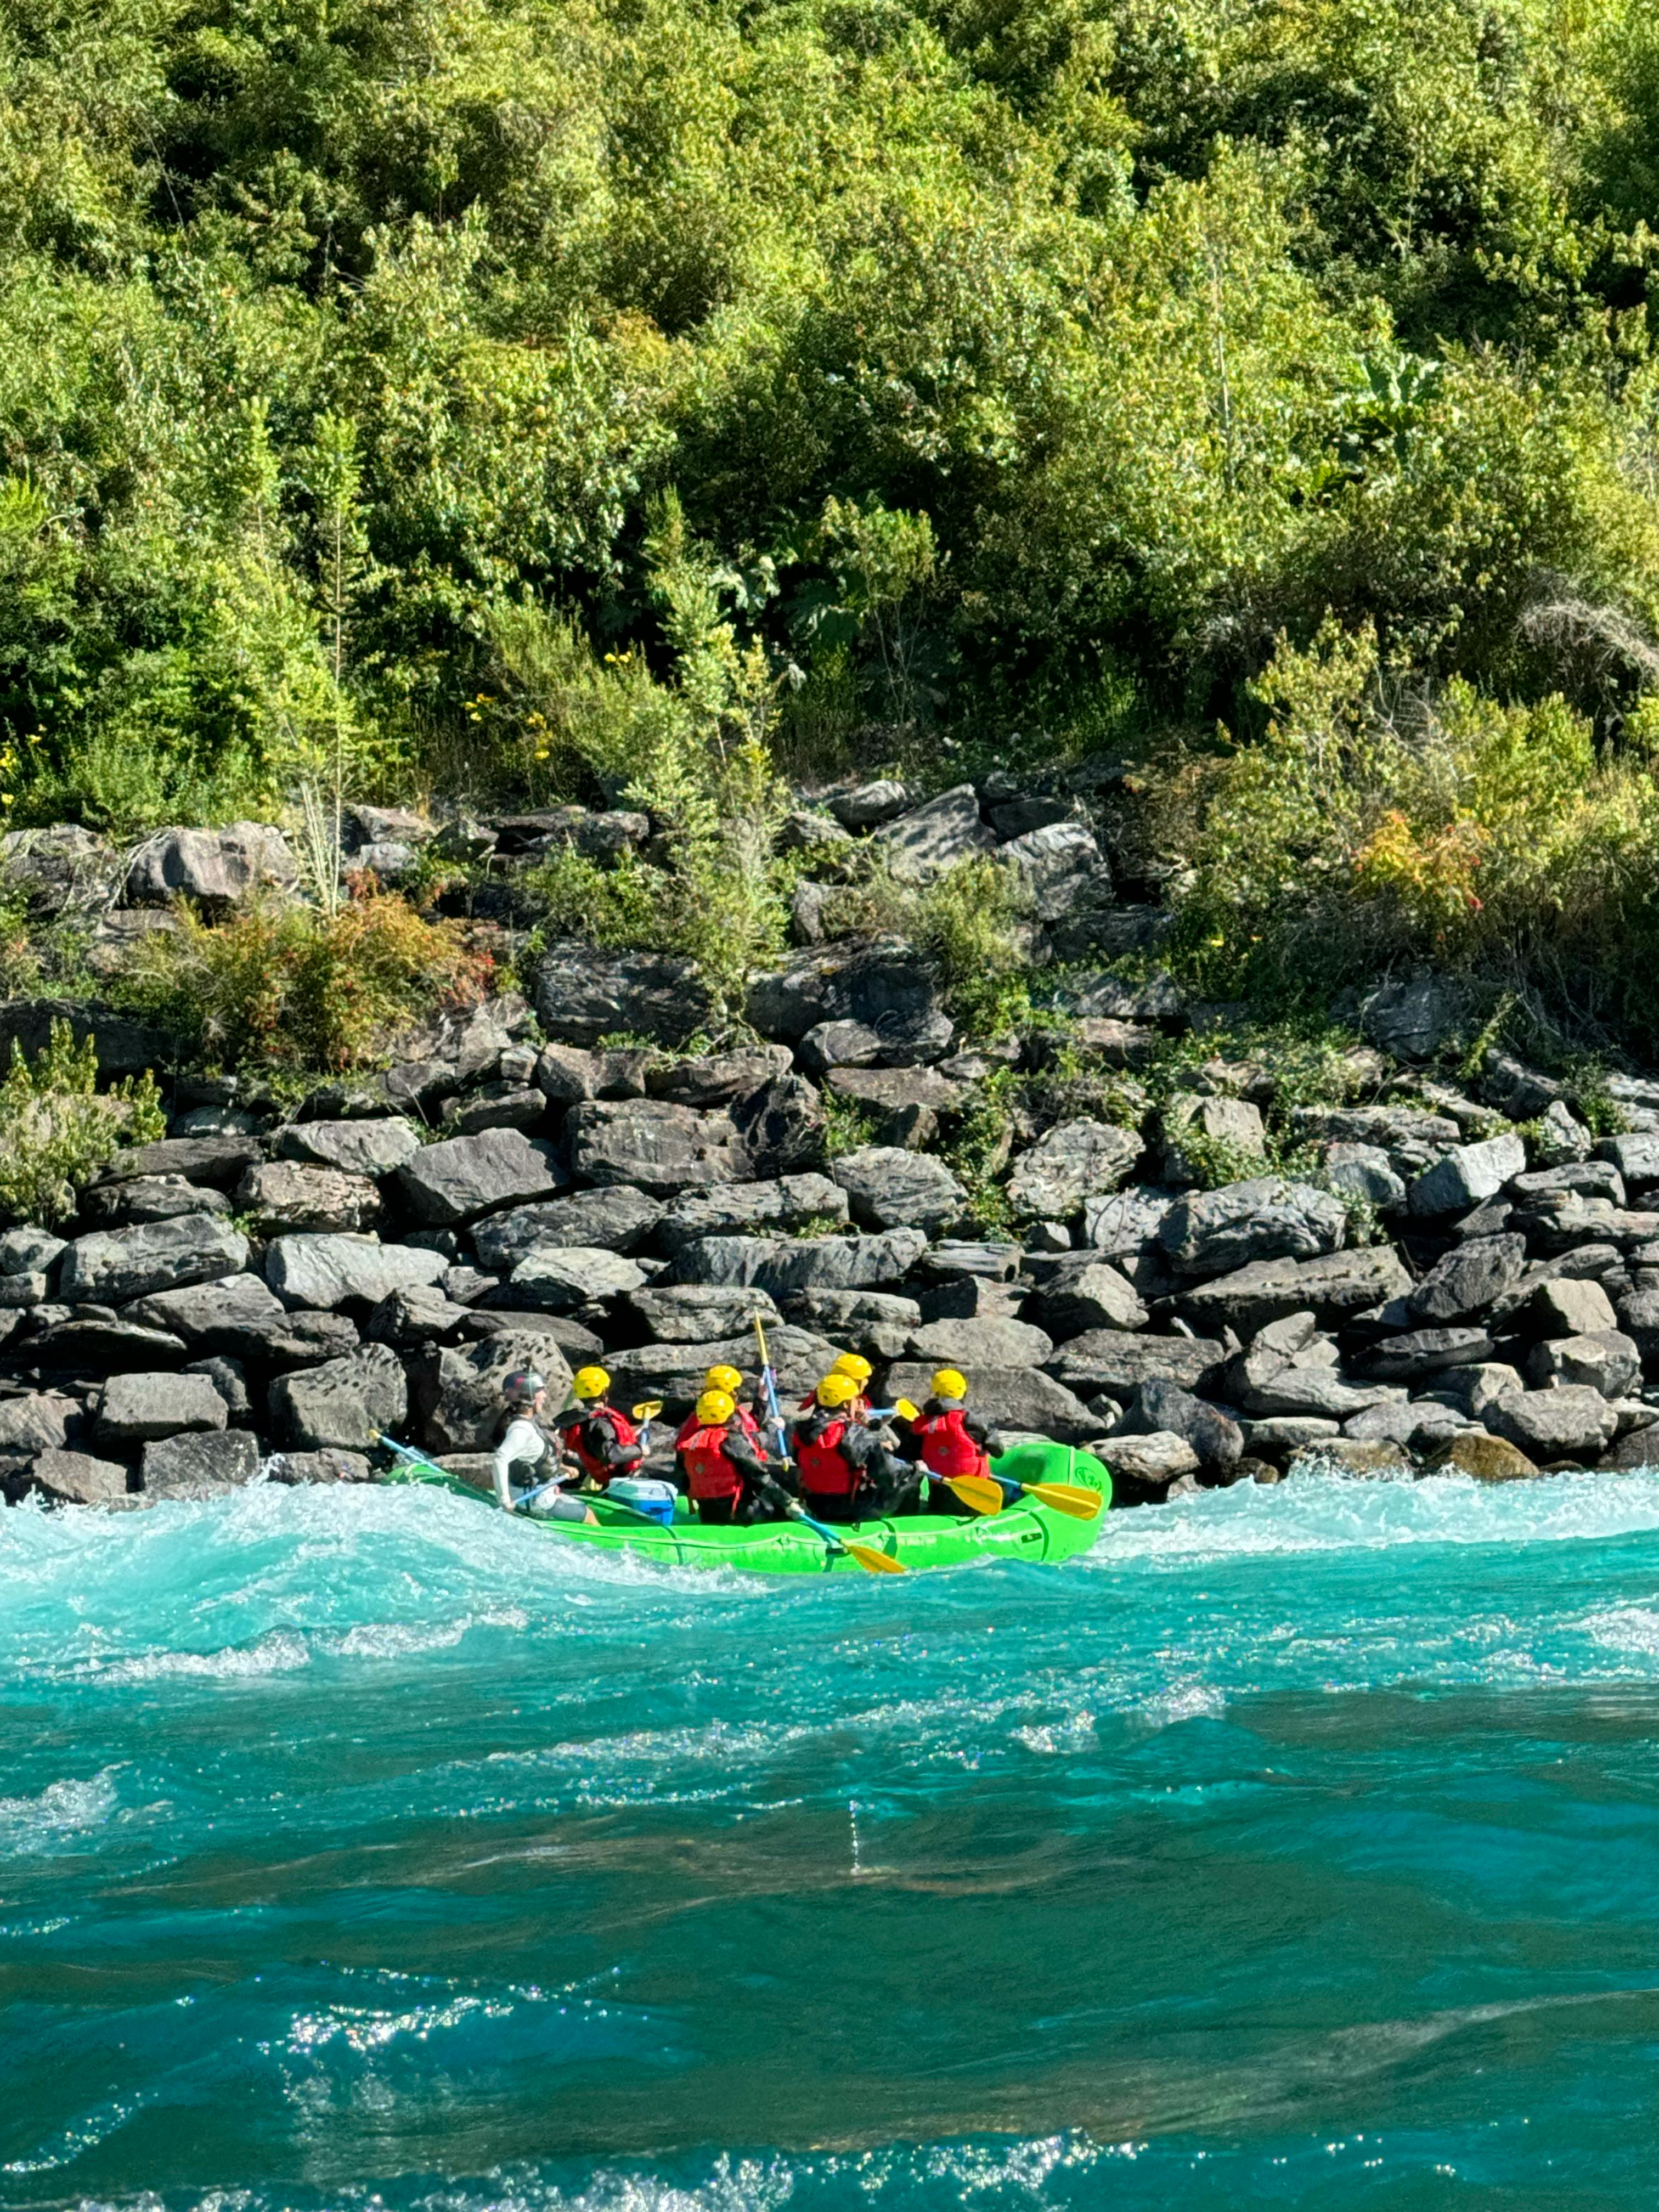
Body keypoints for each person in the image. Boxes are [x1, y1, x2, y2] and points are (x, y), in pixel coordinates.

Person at [794, 1372, 916, 1523]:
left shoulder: (801, 1430)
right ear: (846, 1405)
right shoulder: (855, 1434)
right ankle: (911, 1522)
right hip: (852, 1507)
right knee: (913, 1474)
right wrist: (914, 1469)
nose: (859, 1404)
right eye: (855, 1400)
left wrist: (866, 1423)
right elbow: (889, 1475)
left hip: (816, 1504)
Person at [899, 1368, 1007, 1517]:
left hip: (939, 1489)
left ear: (935, 1392)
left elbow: (908, 1453)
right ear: (962, 1391)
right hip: (973, 1491)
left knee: (940, 1508)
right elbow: (999, 1452)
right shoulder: (971, 1420)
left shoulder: (923, 1423)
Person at [677, 1387, 794, 1525]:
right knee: (781, 1510)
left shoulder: (690, 1443)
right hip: (738, 1513)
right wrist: (787, 1502)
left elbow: (684, 1479)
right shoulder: (732, 1440)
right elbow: (759, 1476)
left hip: (707, 1513)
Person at [492, 1370, 597, 1522]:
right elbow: (500, 1459)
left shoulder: (522, 1423)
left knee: (582, 1506)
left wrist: (562, 1468)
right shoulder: (522, 1430)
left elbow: (529, 1459)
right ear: (530, 1397)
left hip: (534, 1497)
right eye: (541, 1391)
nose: (545, 1396)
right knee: (589, 1516)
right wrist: (505, 1500)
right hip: (537, 1504)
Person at [551, 1365, 643, 1490]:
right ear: (603, 1391)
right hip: (616, 1481)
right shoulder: (600, 1422)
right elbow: (611, 1454)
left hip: (602, 1477)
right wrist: (639, 1450)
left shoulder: (582, 1418)